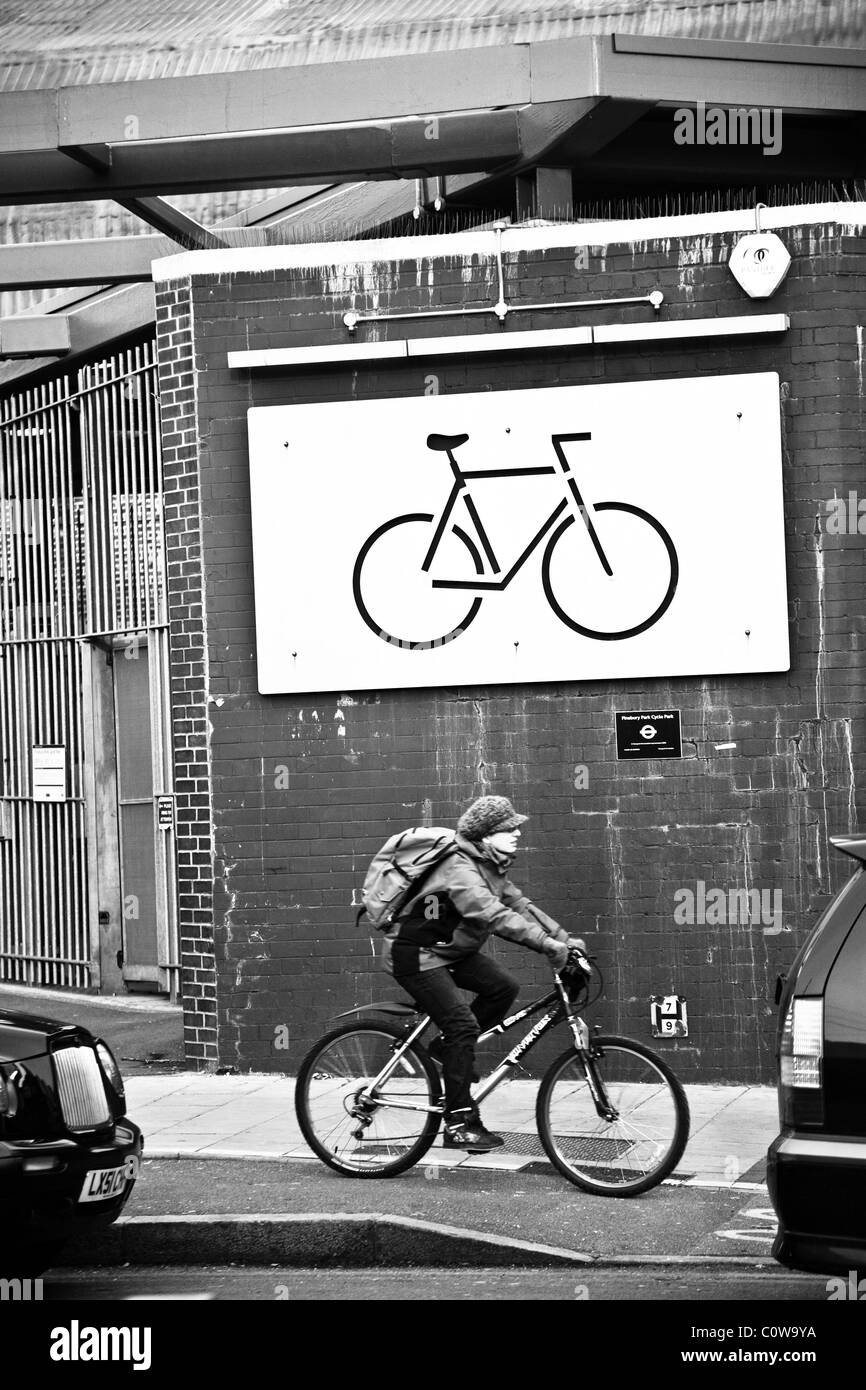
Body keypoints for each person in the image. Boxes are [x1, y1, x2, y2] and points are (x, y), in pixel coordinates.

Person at [381, 795, 585, 1152]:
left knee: (503, 988)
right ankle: (459, 1122)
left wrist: (566, 940)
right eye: (510, 828)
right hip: (415, 955)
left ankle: (446, 1050)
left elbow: (521, 906)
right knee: (462, 1025)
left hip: (449, 952)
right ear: (486, 835)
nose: (518, 832)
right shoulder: (459, 867)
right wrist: (547, 946)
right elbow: (491, 914)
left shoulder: (489, 866)